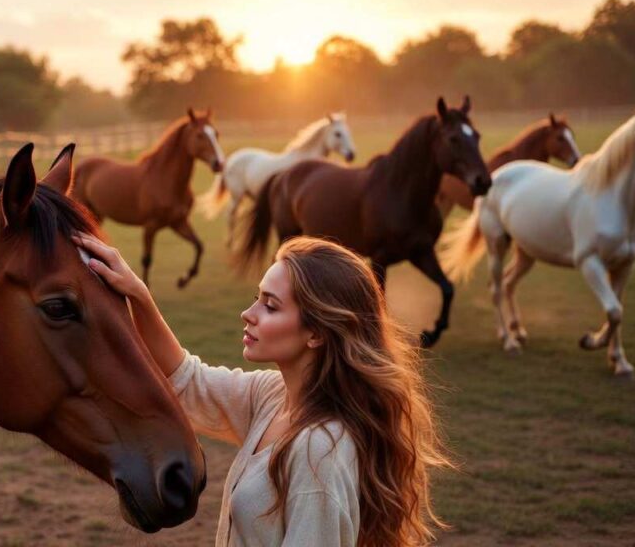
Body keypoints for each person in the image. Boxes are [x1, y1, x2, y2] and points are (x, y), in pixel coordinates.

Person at [73, 234, 451, 546]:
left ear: (317, 333)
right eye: (258, 297)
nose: (248, 313)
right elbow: (189, 381)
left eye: (270, 306)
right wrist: (137, 294)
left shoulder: (319, 451)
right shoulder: (275, 397)